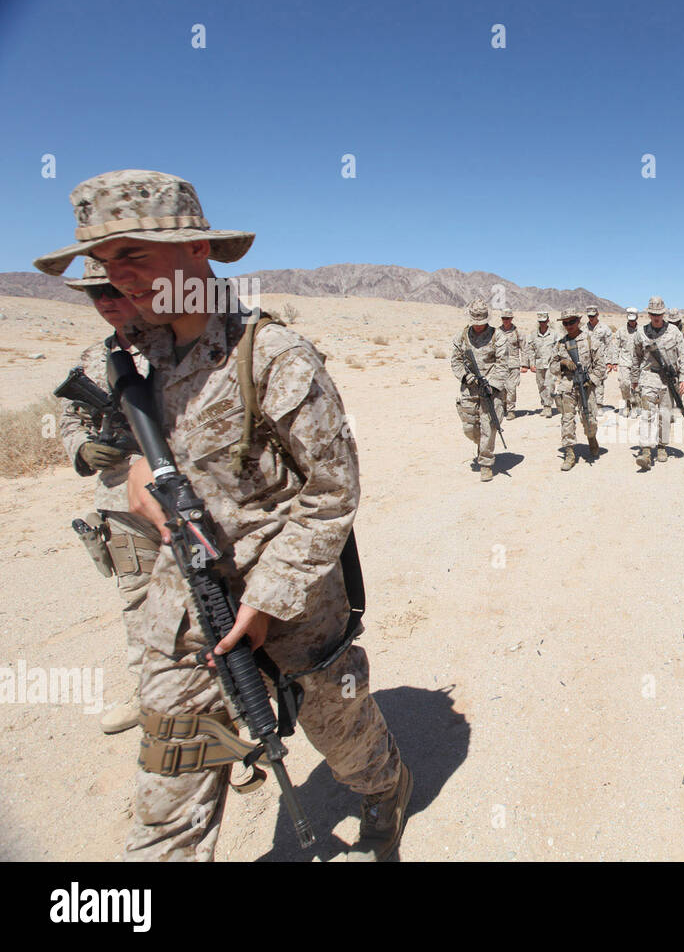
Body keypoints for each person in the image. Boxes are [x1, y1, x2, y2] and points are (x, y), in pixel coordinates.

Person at [35, 169, 410, 862]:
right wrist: (132, 469)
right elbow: (99, 445)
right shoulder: (123, 357)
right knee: (168, 791)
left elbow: (333, 494)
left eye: (133, 255)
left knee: (340, 726)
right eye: (106, 261)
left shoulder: (270, 357)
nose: (116, 278)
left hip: (294, 605)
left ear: (198, 252)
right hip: (180, 606)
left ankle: (386, 788)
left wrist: (266, 599)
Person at [58, 258, 159, 735]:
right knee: (138, 598)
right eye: (94, 295)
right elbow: (70, 419)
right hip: (120, 503)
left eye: (111, 291)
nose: (104, 303)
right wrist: (82, 449)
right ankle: (147, 693)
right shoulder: (90, 359)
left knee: (214, 592)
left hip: (177, 498)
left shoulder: (173, 345)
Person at [630, 297, 684, 470]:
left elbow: (683, 356)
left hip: (668, 381)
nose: (656, 317)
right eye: (653, 314)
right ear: (648, 314)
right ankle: (646, 451)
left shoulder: (674, 332)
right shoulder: (641, 333)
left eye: (659, 314)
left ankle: (662, 446)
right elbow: (636, 357)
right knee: (646, 415)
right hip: (649, 377)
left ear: (663, 313)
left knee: (664, 415)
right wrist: (634, 379)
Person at [452, 299, 509, 482]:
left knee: (489, 427)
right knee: (470, 428)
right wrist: (466, 377)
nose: (478, 326)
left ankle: (486, 462)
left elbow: (503, 364)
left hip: (491, 390)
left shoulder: (497, 336)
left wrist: (491, 385)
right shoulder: (461, 337)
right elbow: (456, 361)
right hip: (470, 390)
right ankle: (480, 445)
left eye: (481, 322)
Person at [549, 310, 602, 469]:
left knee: (589, 419)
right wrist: (563, 362)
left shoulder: (590, 340)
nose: (568, 326)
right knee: (567, 420)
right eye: (565, 323)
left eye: (571, 322)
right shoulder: (560, 344)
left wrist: (590, 380)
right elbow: (552, 367)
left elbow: (600, 367)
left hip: (586, 386)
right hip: (567, 386)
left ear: (578, 321)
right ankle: (570, 452)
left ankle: (591, 438)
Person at [526, 311, 559, 417]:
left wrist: (556, 362)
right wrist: (531, 363)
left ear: (548, 321)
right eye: (540, 322)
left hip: (550, 364)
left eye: (544, 321)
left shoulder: (554, 334)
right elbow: (530, 350)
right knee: (541, 385)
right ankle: (544, 405)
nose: (542, 323)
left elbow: (558, 348)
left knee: (549, 385)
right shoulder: (533, 335)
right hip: (539, 364)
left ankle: (548, 407)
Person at [584, 305, 615, 408]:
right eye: (589, 316)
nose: (591, 318)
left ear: (597, 314)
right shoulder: (583, 328)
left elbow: (609, 345)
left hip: (600, 359)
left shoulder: (604, 328)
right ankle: (589, 404)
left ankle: (599, 405)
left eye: (593, 316)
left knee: (599, 382)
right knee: (587, 381)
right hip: (587, 360)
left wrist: (610, 362)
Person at [498, 309, 525, 420]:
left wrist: (525, 365)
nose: (505, 321)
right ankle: (503, 407)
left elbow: (524, 349)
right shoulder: (497, 332)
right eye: (503, 318)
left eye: (507, 318)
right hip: (500, 365)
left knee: (511, 388)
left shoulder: (517, 332)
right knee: (501, 388)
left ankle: (511, 410)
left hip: (514, 365)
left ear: (511, 319)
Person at [616, 308, 640, 416]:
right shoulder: (621, 331)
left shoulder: (642, 331)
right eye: (630, 320)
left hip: (638, 363)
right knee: (624, 384)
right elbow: (615, 347)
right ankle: (626, 403)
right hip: (624, 361)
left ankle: (635, 406)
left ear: (637, 318)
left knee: (636, 386)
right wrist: (613, 362)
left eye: (633, 320)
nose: (631, 322)